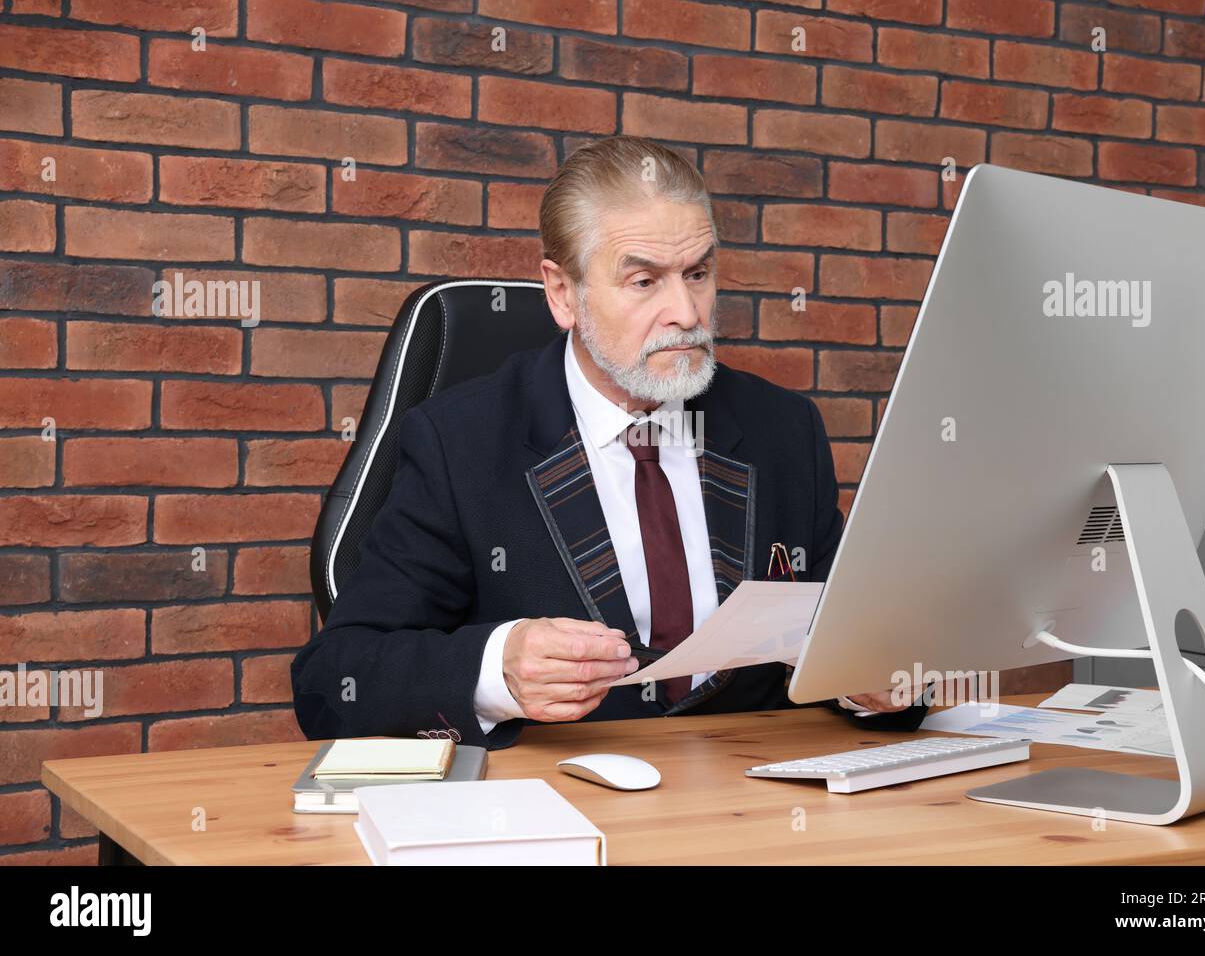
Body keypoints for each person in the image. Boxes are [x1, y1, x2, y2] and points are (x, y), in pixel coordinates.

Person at [291, 135, 927, 749]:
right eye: (645, 281)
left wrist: (875, 680)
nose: (686, 311)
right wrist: (498, 671)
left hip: (757, 811)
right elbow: (334, 681)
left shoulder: (782, 429)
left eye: (699, 272)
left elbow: (843, 639)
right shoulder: (461, 442)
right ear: (563, 294)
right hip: (561, 818)